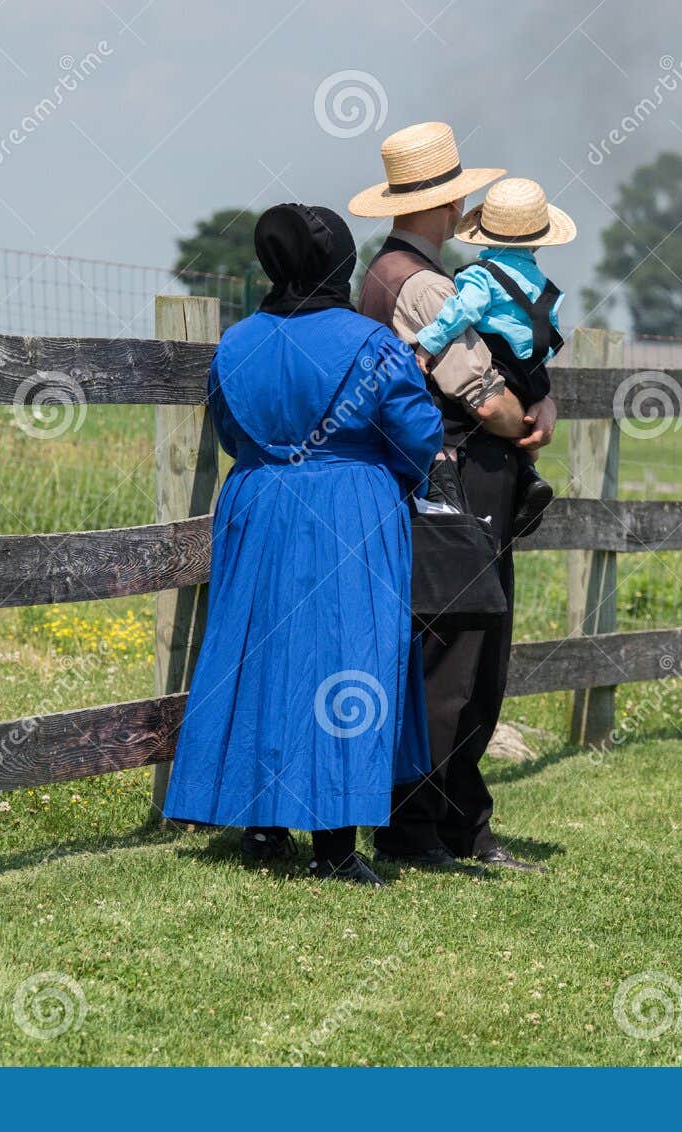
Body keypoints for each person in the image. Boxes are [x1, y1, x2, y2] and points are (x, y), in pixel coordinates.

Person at [162, 203, 444, 887]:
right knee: (348, 659)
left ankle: (261, 826)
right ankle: (335, 846)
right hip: (349, 508)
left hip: (258, 503)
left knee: (260, 653)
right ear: (339, 264)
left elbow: (231, 432)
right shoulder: (369, 343)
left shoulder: (235, 344)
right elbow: (420, 434)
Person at [352, 121, 552, 872]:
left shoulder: (389, 272)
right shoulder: (426, 284)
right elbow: (480, 390)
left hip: (448, 481)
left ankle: (455, 821)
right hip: (460, 479)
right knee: (458, 657)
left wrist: (538, 400)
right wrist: (524, 416)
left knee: (460, 650)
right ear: (453, 198)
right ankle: (421, 827)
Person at [413, 177, 576, 539]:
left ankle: (493, 484)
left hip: (501, 362)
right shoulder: (540, 280)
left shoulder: (480, 276)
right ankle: (528, 476)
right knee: (526, 423)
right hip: (534, 371)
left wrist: (427, 345)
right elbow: (550, 330)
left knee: (463, 416)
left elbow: (459, 312)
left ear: (484, 234)